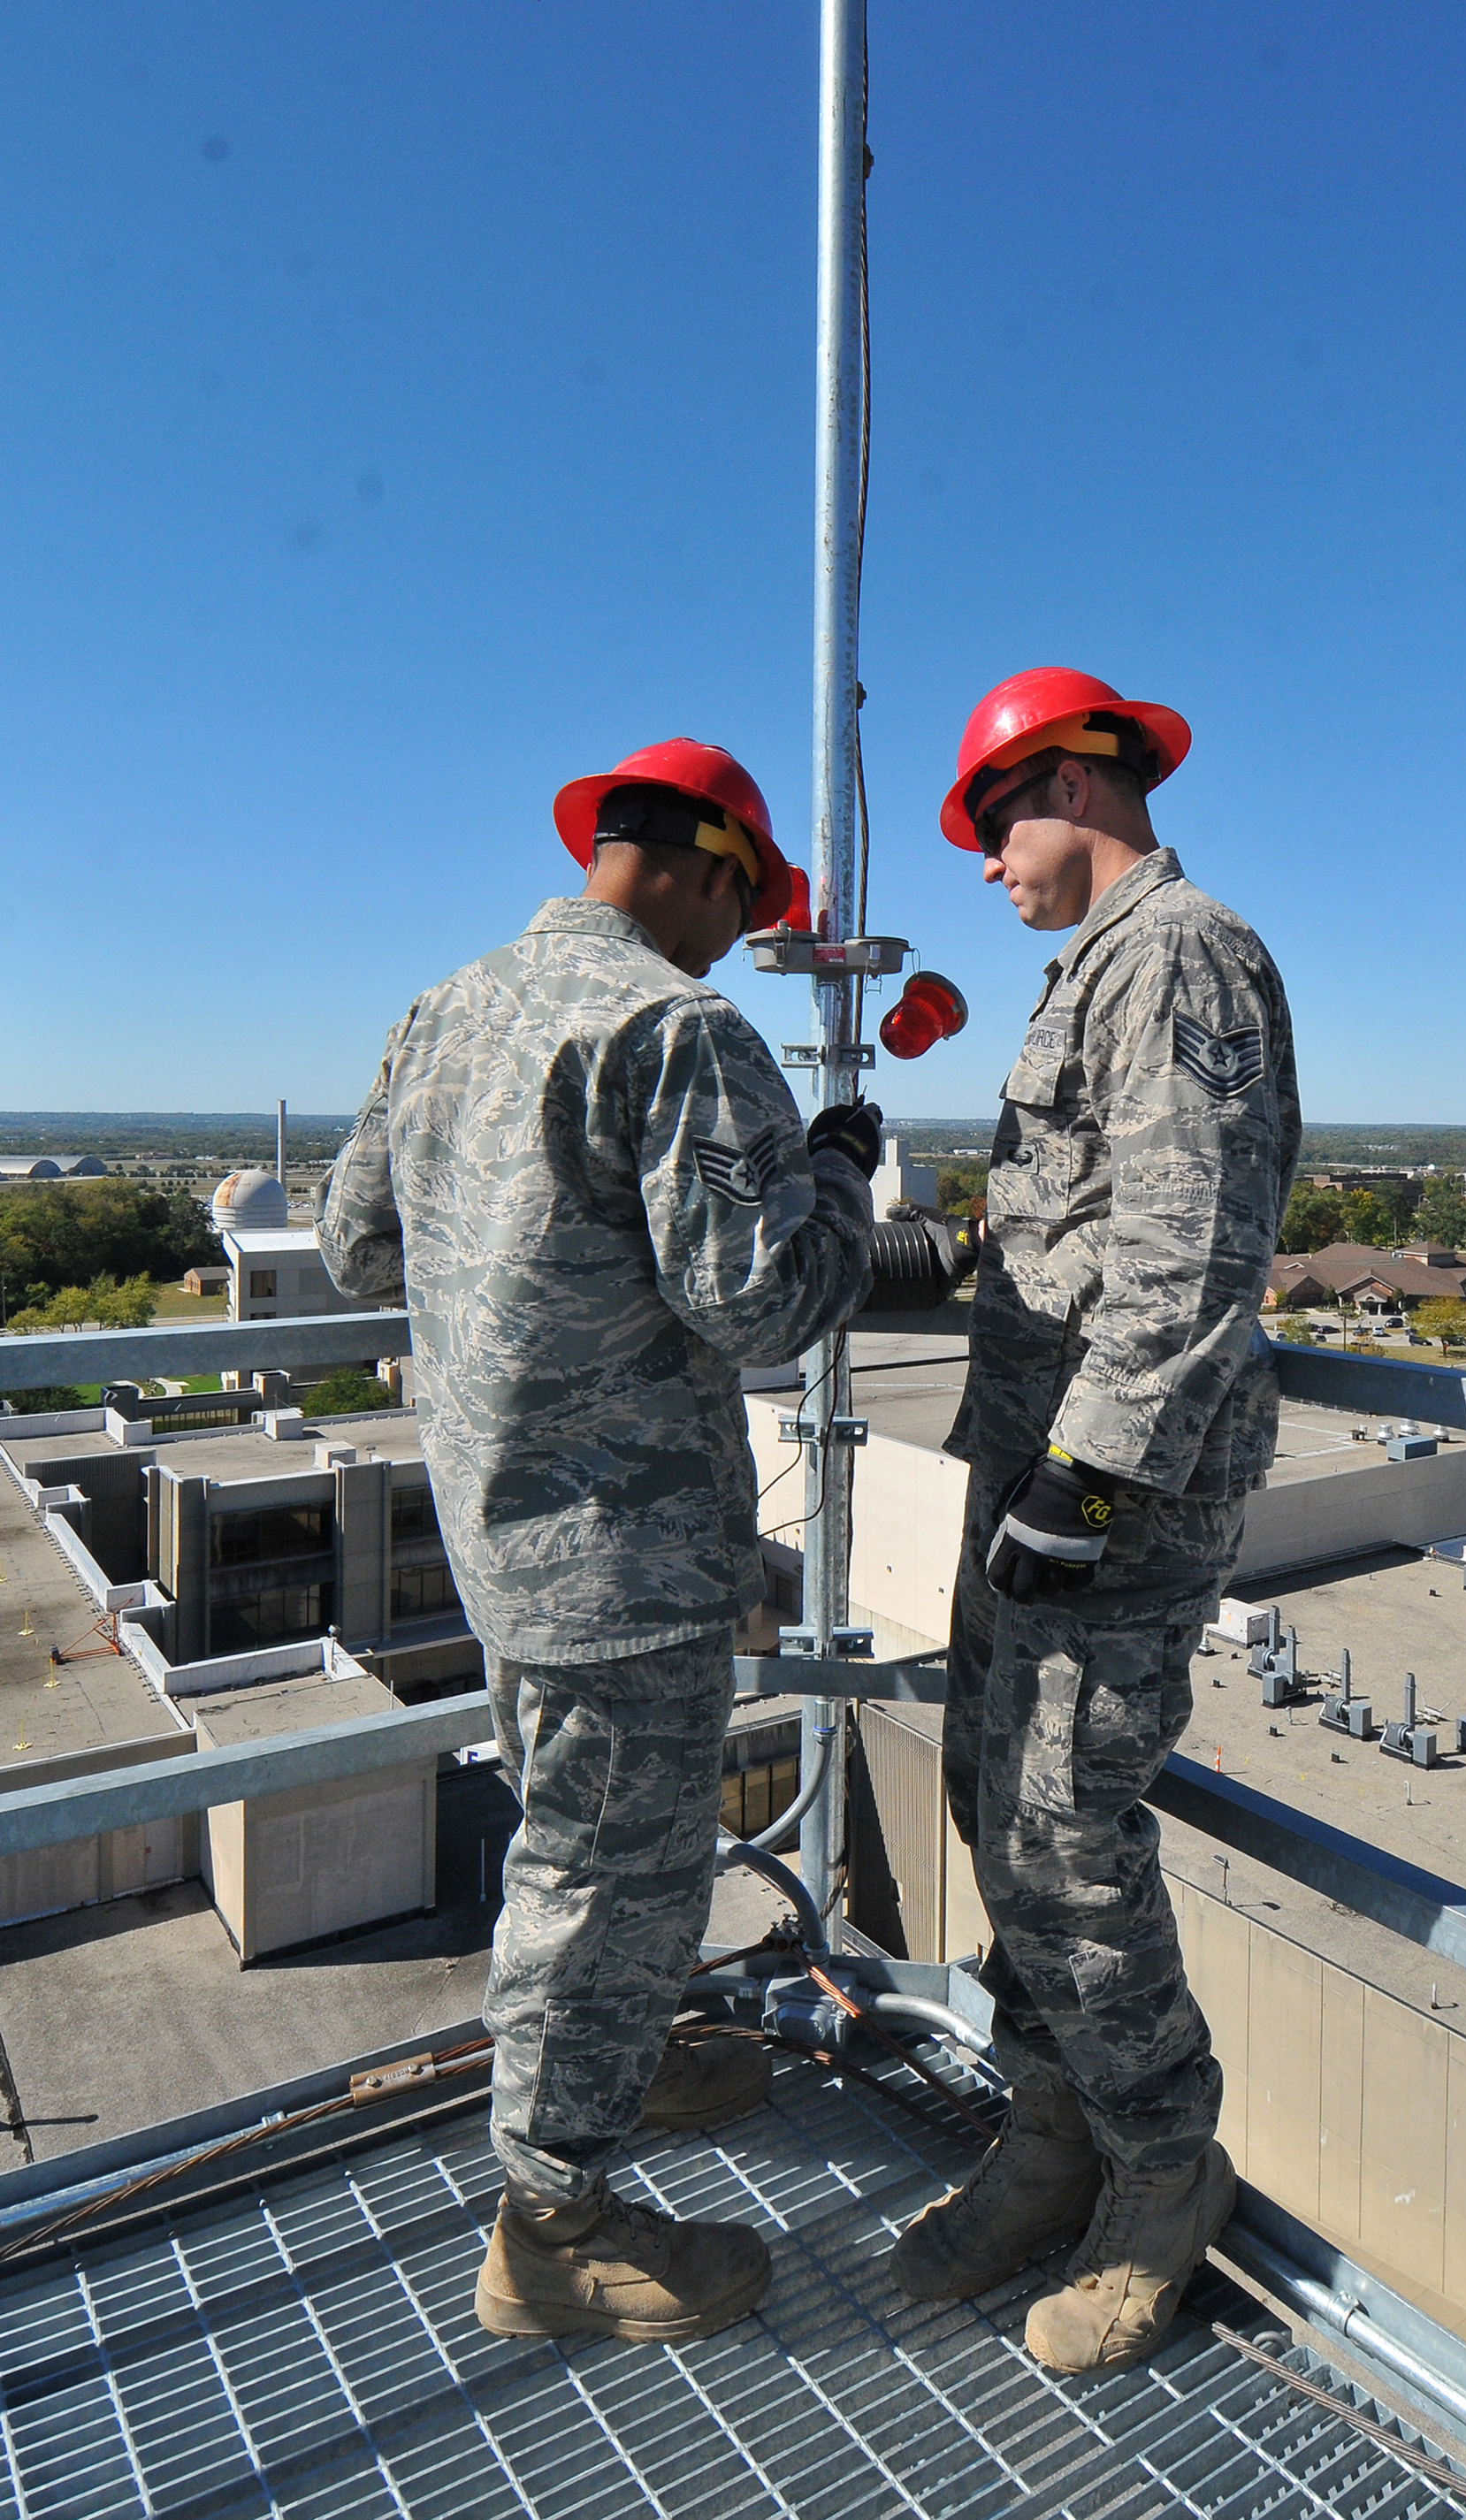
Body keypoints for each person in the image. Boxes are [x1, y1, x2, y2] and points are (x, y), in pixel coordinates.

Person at [318, 739, 880, 2346]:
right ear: (700, 863)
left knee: (593, 1850)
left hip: (500, 1533)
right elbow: (760, 1298)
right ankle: (553, 2220)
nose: (735, 933)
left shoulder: (446, 1006)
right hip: (621, 1554)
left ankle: (618, 2060)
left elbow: (360, 1239)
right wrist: (833, 1178)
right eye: (741, 900)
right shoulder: (678, 1025)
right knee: (599, 1875)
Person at [890, 669, 1301, 2373]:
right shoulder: (1088, 974)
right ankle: (1046, 2126)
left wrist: (1091, 1475)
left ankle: (1155, 2172)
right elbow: (1072, 1230)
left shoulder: (1185, 950)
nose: (985, 862)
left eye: (996, 819)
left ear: (1076, 778)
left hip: (1106, 1496)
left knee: (1066, 1832)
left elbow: (1191, 1243)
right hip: (1031, 1471)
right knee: (993, 1805)